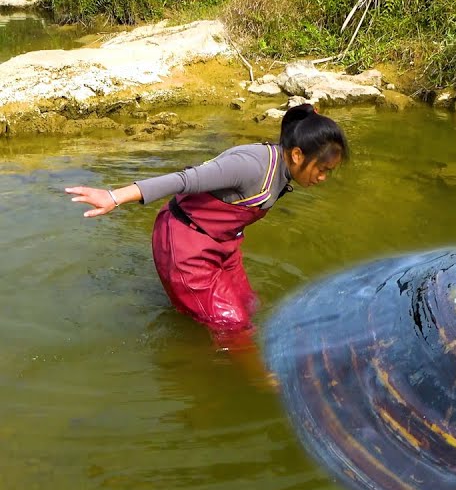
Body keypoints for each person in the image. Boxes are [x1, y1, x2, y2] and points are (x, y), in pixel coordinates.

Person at [66, 104, 347, 343]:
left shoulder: (283, 167)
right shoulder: (251, 166)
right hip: (185, 243)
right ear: (297, 155)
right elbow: (183, 179)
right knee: (234, 329)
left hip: (222, 242)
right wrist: (114, 197)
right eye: (322, 170)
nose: (323, 178)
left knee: (251, 306)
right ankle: (262, 382)